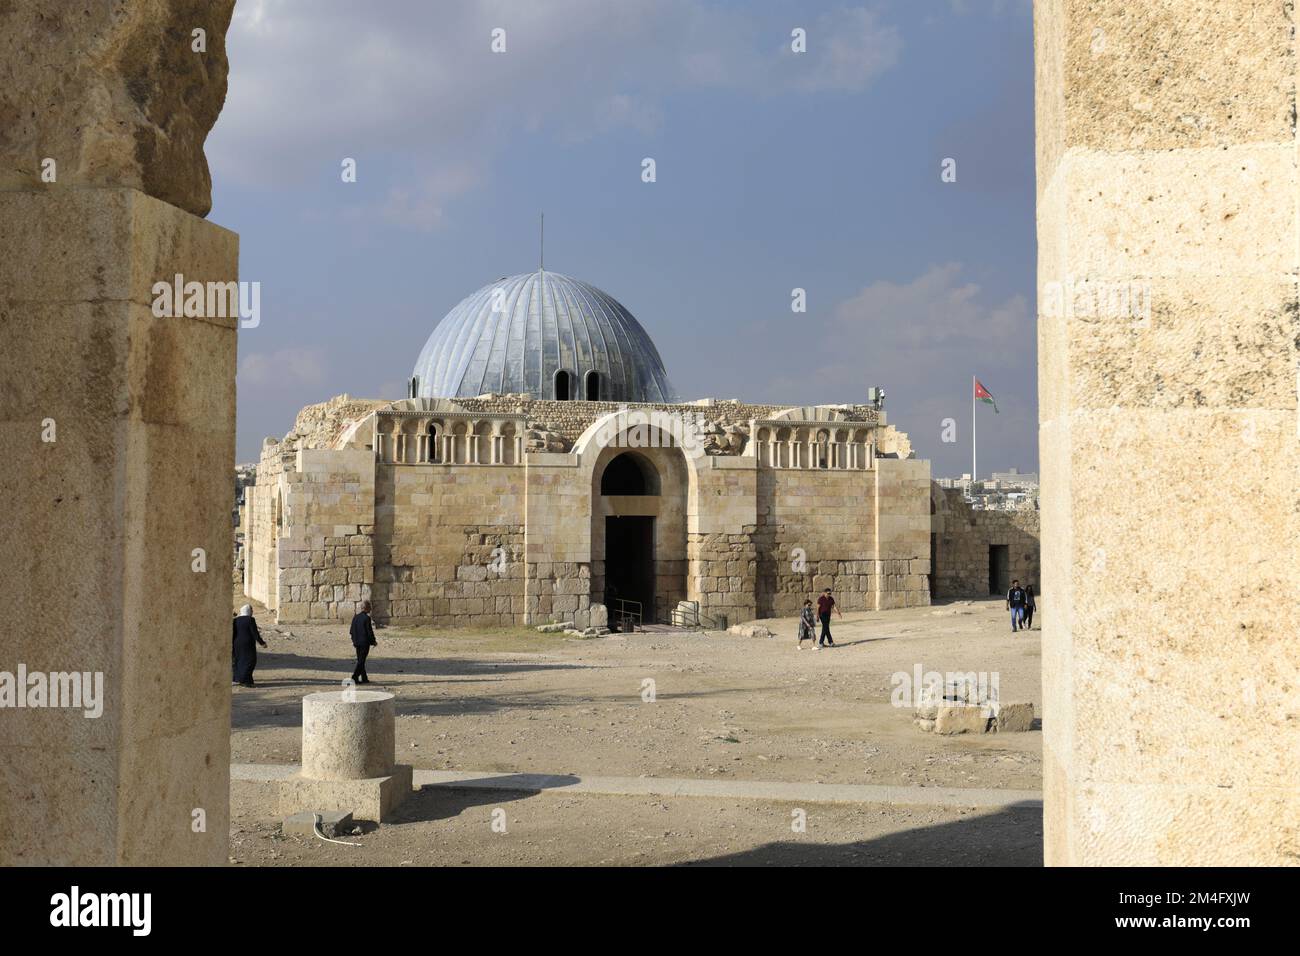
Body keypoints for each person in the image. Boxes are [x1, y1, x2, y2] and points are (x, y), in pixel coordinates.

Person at [232, 604, 266, 688]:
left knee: (239, 661)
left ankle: (239, 679)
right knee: (249, 661)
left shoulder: (236, 620)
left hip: (237, 644)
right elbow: (255, 633)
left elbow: (233, 633)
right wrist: (262, 643)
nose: (252, 612)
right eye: (251, 610)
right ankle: (245, 681)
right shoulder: (250, 620)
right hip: (247, 644)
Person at [349, 600, 377, 684]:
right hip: (364, 643)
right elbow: (369, 632)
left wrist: (354, 640)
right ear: (367, 608)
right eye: (370, 607)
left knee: (361, 660)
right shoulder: (367, 618)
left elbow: (351, 631)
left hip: (357, 643)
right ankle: (354, 677)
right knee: (361, 661)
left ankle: (364, 678)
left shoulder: (355, 617)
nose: (371, 609)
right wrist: (373, 641)